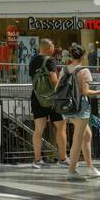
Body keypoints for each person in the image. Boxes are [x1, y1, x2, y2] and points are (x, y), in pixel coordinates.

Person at [62, 42, 100, 179]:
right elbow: (85, 91)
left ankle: (90, 167)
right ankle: (71, 171)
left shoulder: (65, 69)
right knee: (78, 139)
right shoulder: (84, 70)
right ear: (83, 56)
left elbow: (58, 88)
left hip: (68, 106)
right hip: (81, 107)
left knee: (87, 135)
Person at [27, 38, 68, 169]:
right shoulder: (50, 61)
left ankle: (37, 160)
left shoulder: (32, 61)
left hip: (37, 97)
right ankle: (63, 158)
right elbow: (54, 80)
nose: (54, 48)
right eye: (53, 46)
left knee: (38, 130)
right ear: (48, 48)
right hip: (53, 99)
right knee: (61, 127)